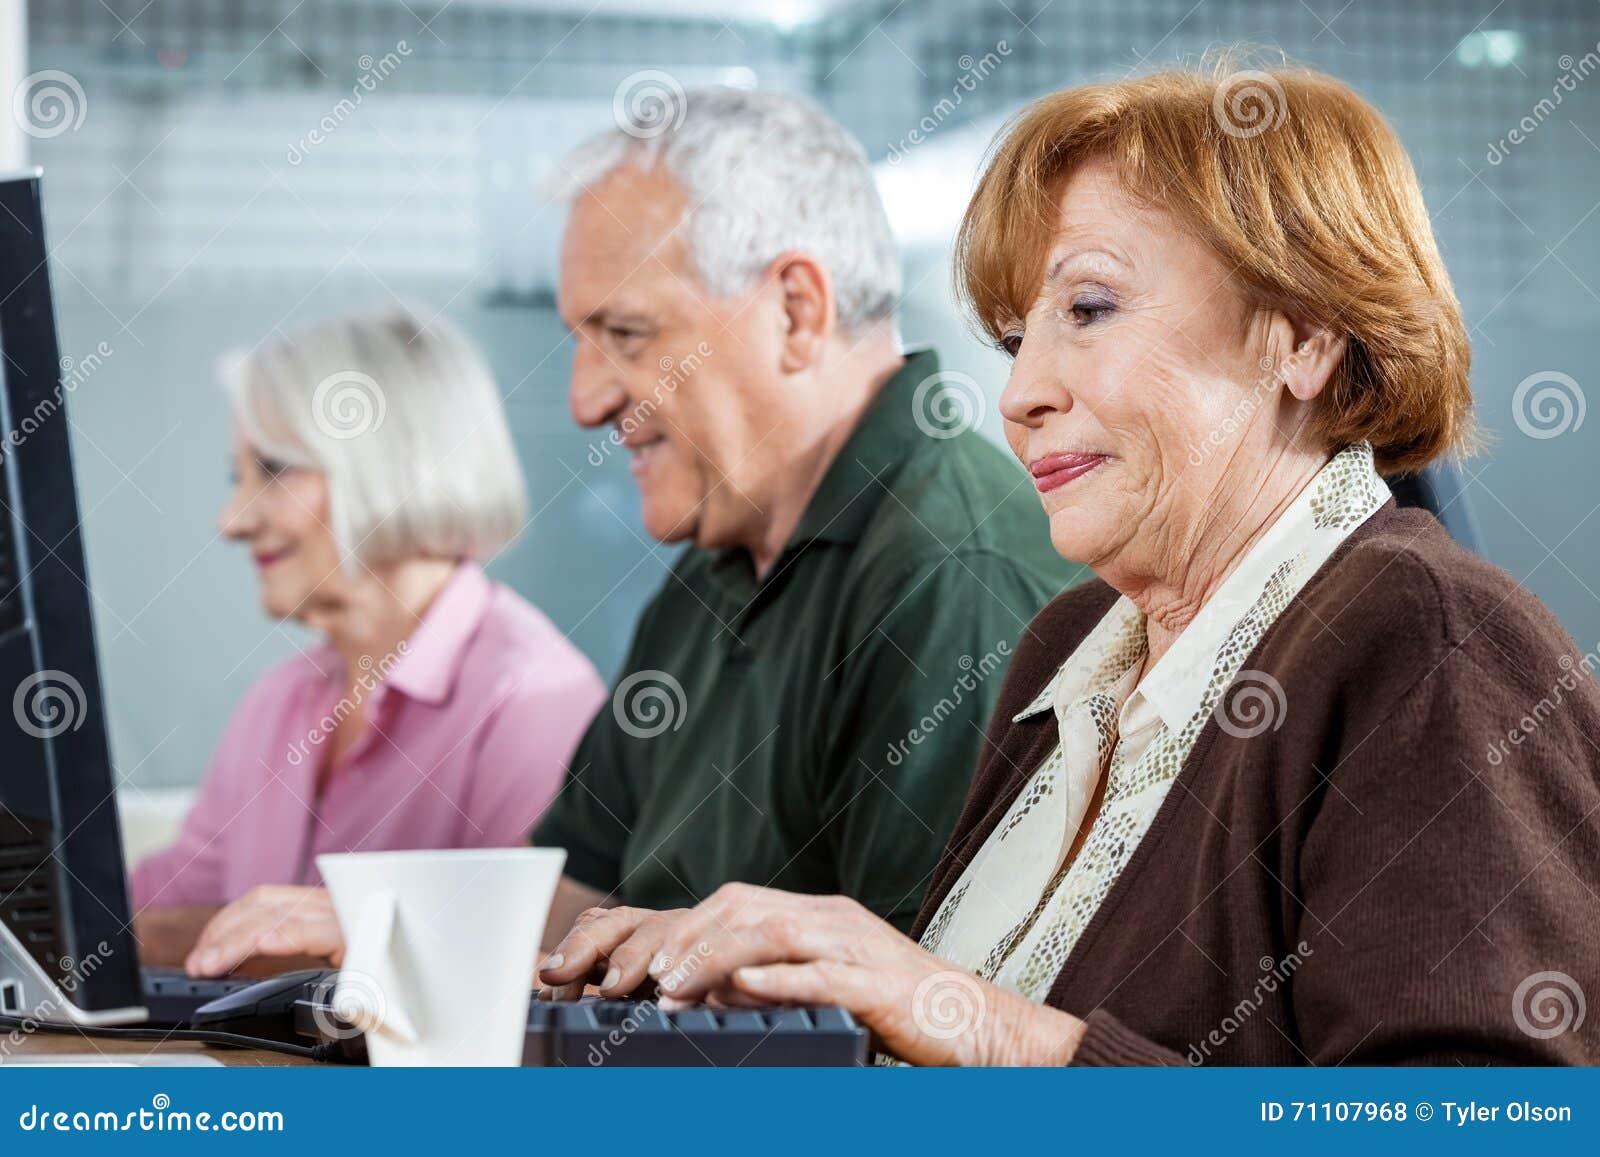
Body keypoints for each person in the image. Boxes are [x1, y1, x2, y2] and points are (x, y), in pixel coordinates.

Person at [537, 63, 1600, 1064]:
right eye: (1014, 340)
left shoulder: (1429, 642)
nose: (1020, 394)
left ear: (1303, 338)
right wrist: (780, 996)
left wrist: (988, 1028)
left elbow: (1483, 1121)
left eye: (1088, 310)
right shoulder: (1071, 644)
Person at [181, 88, 1076, 980]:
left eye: (626, 332)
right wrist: (378, 923)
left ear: (798, 311)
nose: (586, 399)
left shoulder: (951, 571)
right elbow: (579, 903)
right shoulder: (713, 571)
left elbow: (917, 1017)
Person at [132, 306, 605, 924]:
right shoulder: (279, 702)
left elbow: (524, 952)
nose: (232, 521)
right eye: (236, 476)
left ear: (390, 464)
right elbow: (161, 909)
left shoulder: (530, 700)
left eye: (273, 470)